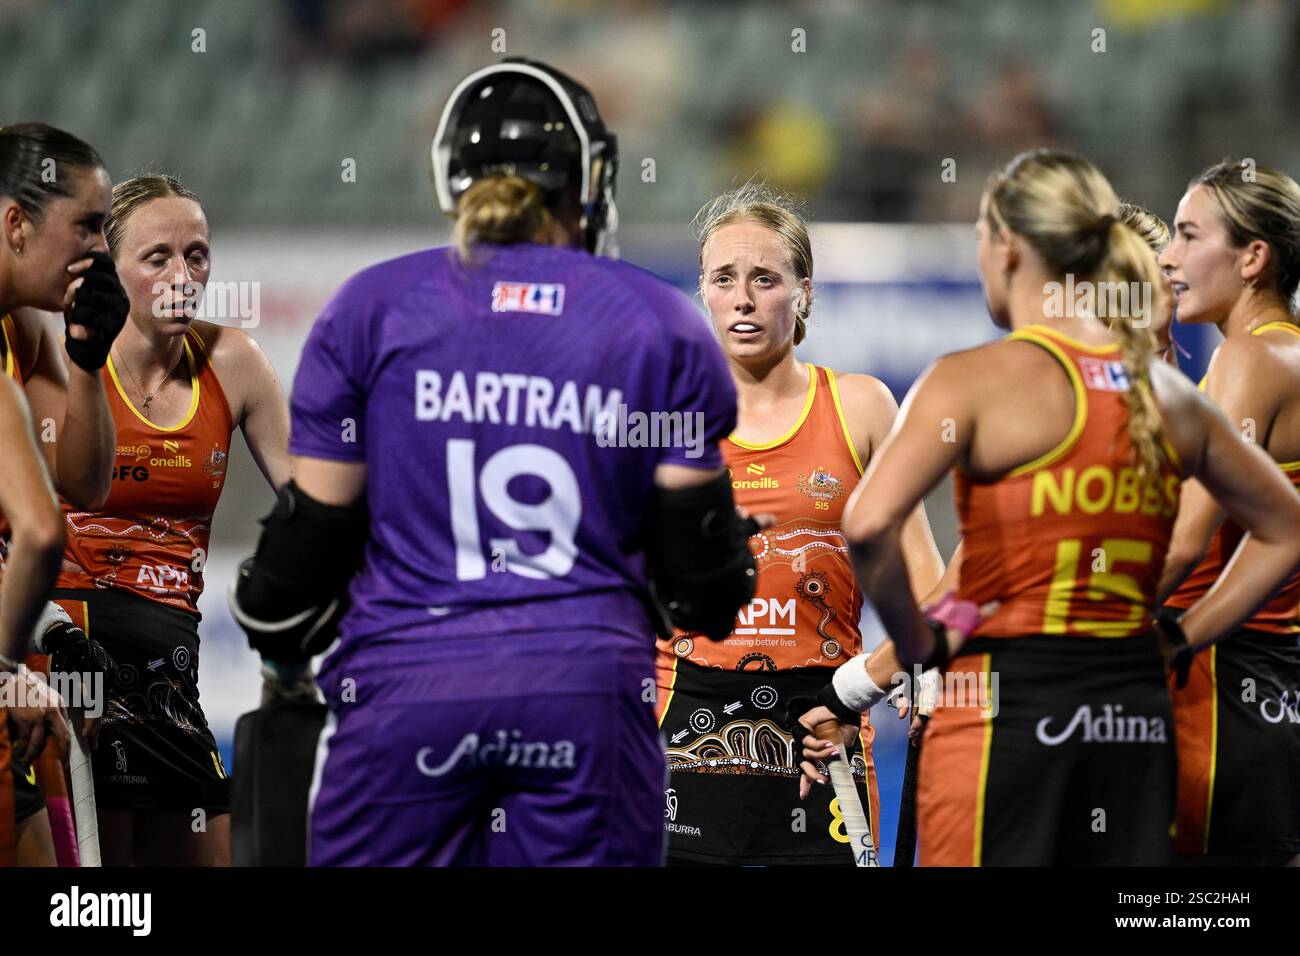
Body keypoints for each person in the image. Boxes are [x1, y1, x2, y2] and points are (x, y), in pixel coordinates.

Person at [231, 57, 756, 866]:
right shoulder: (656, 320)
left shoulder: (372, 306)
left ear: (452, 178)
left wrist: (279, 645)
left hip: (405, 685)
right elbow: (704, 578)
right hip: (585, 686)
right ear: (583, 181)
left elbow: (305, 551)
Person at [795, 148, 1300, 865]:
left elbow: (879, 528)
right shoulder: (1177, 401)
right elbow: (1284, 528)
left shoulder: (978, 381)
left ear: (1008, 248)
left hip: (1010, 705)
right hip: (1139, 709)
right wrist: (1178, 636)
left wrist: (913, 649)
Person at [655, 183, 945, 865]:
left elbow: (929, 587)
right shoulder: (665, 417)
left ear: (805, 291)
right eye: (724, 279)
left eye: (766, 278)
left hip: (826, 726)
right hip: (683, 729)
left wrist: (899, 677)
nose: (745, 298)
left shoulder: (862, 406)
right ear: (703, 292)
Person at [51, 174, 291, 866]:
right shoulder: (55, 357)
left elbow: (314, 507)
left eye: (198, 256)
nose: (183, 276)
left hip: (170, 675)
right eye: (157, 258)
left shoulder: (235, 363)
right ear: (105, 266)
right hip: (72, 664)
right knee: (103, 903)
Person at [1157, 160, 1300, 864]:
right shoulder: (1275, 356)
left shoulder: (1250, 360)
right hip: (1269, 692)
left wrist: (1079, 643)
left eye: (1188, 235)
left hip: (1219, 696)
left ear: (1253, 257)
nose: (1167, 256)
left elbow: (1186, 539)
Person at [0, 122, 126, 866]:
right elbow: (43, 529)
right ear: (16, 224)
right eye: (86, 225)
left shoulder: (22, 330)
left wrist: (88, 362)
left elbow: (84, 479)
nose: (101, 251)